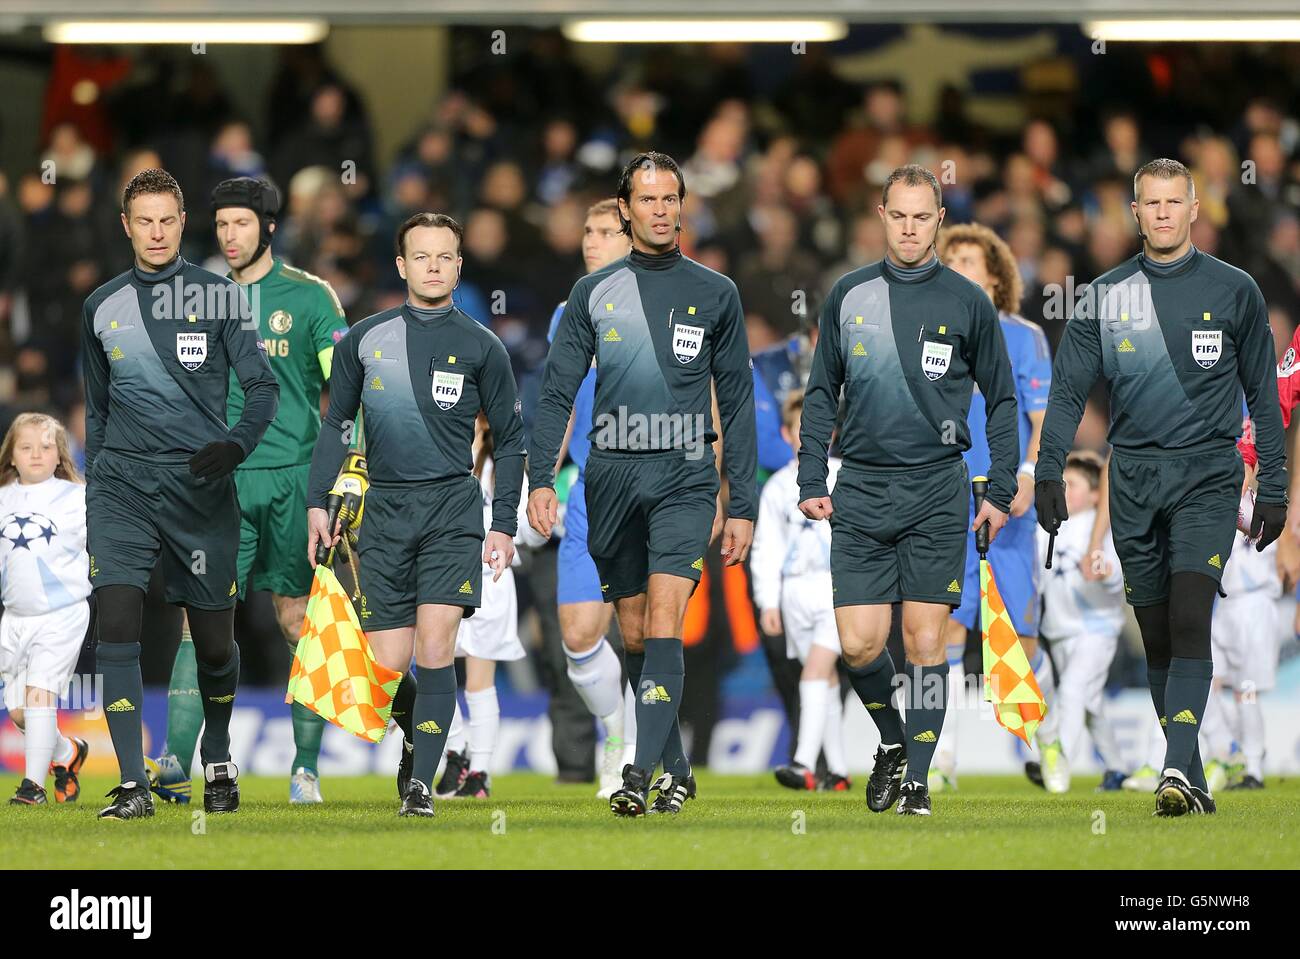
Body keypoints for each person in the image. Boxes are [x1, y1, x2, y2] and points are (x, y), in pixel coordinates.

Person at [1035, 158, 1288, 817]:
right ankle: (1192, 774)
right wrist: (1045, 471)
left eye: (1176, 201)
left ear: (1195, 208)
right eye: (1152, 203)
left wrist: (1276, 487)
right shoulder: (1104, 295)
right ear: (1136, 212)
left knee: (1187, 615)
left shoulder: (1235, 290)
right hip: (1134, 481)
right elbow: (1065, 393)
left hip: (1208, 476)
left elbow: (1266, 396)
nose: (1165, 212)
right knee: (1157, 636)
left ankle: (1174, 766)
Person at [528, 151, 757, 817]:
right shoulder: (591, 295)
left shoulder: (717, 293)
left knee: (663, 617)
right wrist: (541, 477)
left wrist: (738, 500)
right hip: (611, 477)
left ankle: (636, 769)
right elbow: (557, 394)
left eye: (670, 198)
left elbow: (738, 403)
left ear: (682, 205)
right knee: (632, 632)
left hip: (685, 475)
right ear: (624, 210)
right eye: (647, 200)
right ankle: (677, 769)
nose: (660, 210)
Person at [798, 163, 1020, 817]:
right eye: (899, 214)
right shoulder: (847, 294)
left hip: (936, 489)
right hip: (861, 486)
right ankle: (894, 743)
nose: (910, 227)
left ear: (939, 220)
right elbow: (819, 393)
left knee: (926, 641)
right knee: (860, 644)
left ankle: (918, 781)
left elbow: (1003, 400)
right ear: (881, 214)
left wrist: (1001, 488)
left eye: (923, 216)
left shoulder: (967, 301)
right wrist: (814, 474)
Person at [307, 212, 524, 819]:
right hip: (383, 511)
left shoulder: (484, 346)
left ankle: (423, 784)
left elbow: (510, 439)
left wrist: (502, 523)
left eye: (444, 256)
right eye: (421, 256)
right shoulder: (365, 341)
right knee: (385, 662)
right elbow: (335, 425)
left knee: (438, 645)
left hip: (452, 510)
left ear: (459, 265)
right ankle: (419, 738)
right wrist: (315, 503)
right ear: (401, 266)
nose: (433, 266)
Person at [84, 168, 279, 820]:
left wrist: (237, 445)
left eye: (168, 218)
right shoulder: (100, 307)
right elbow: (98, 411)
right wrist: (99, 483)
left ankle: (217, 750)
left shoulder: (219, 297)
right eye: (145, 220)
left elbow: (263, 388)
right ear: (126, 225)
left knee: (215, 643)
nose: (158, 231)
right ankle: (132, 784)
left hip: (200, 486)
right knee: (116, 623)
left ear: (181, 218)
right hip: (123, 488)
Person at [148, 176, 350, 805]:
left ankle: (306, 770)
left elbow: (342, 396)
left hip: (293, 478)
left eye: (241, 224)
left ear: (267, 227)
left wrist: (343, 473)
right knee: (201, 622)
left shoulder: (311, 299)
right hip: (220, 482)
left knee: (296, 617)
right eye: (221, 225)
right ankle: (180, 762)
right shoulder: (195, 300)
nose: (229, 236)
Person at [934, 222, 1055, 793]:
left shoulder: (1025, 337)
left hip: (1010, 498)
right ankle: (942, 754)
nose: (959, 266)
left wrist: (1028, 475)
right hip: (943, 496)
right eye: (950, 258)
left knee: (1017, 630)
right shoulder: (925, 332)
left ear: (995, 274)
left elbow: (1041, 420)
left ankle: (1040, 740)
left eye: (969, 260)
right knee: (945, 624)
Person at [547, 198, 636, 797]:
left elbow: (710, 396)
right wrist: (536, 481)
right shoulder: (568, 313)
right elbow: (562, 401)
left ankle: (643, 753)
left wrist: (719, 487)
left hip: (659, 483)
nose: (591, 240)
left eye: (606, 231)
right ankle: (618, 733)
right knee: (579, 634)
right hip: (591, 486)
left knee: (644, 630)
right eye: (587, 230)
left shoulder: (680, 302)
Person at [435, 414, 545, 799]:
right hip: (441, 575)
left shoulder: (505, 467)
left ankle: (479, 772)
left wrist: (540, 517)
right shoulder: (438, 452)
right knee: (433, 670)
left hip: (491, 583)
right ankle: (455, 749)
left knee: (479, 682)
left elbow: (531, 530)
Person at [752, 390, 850, 792]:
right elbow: (766, 547)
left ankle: (803, 763)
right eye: (799, 430)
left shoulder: (845, 474)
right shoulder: (777, 487)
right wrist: (767, 600)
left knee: (816, 670)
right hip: (794, 592)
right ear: (786, 434)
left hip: (835, 588)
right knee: (823, 681)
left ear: (830, 433)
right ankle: (839, 771)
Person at [0, 413, 91, 806]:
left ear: (60, 455)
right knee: (21, 713)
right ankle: (65, 753)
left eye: (46, 446)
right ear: (12, 456)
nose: (36, 454)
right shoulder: (2, 496)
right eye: (26, 447)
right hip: (14, 618)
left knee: (40, 697)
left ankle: (31, 787)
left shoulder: (79, 497)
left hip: (62, 614)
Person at [1033, 452, 1128, 792]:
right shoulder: (1047, 527)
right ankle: (1117, 767)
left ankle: (1058, 762)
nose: (1064, 490)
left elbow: (1116, 575)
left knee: (1072, 690)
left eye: (1072, 484)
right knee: (1088, 703)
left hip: (1096, 629)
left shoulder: (1100, 527)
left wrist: (1105, 575)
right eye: (1061, 483)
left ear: (1095, 495)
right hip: (1058, 631)